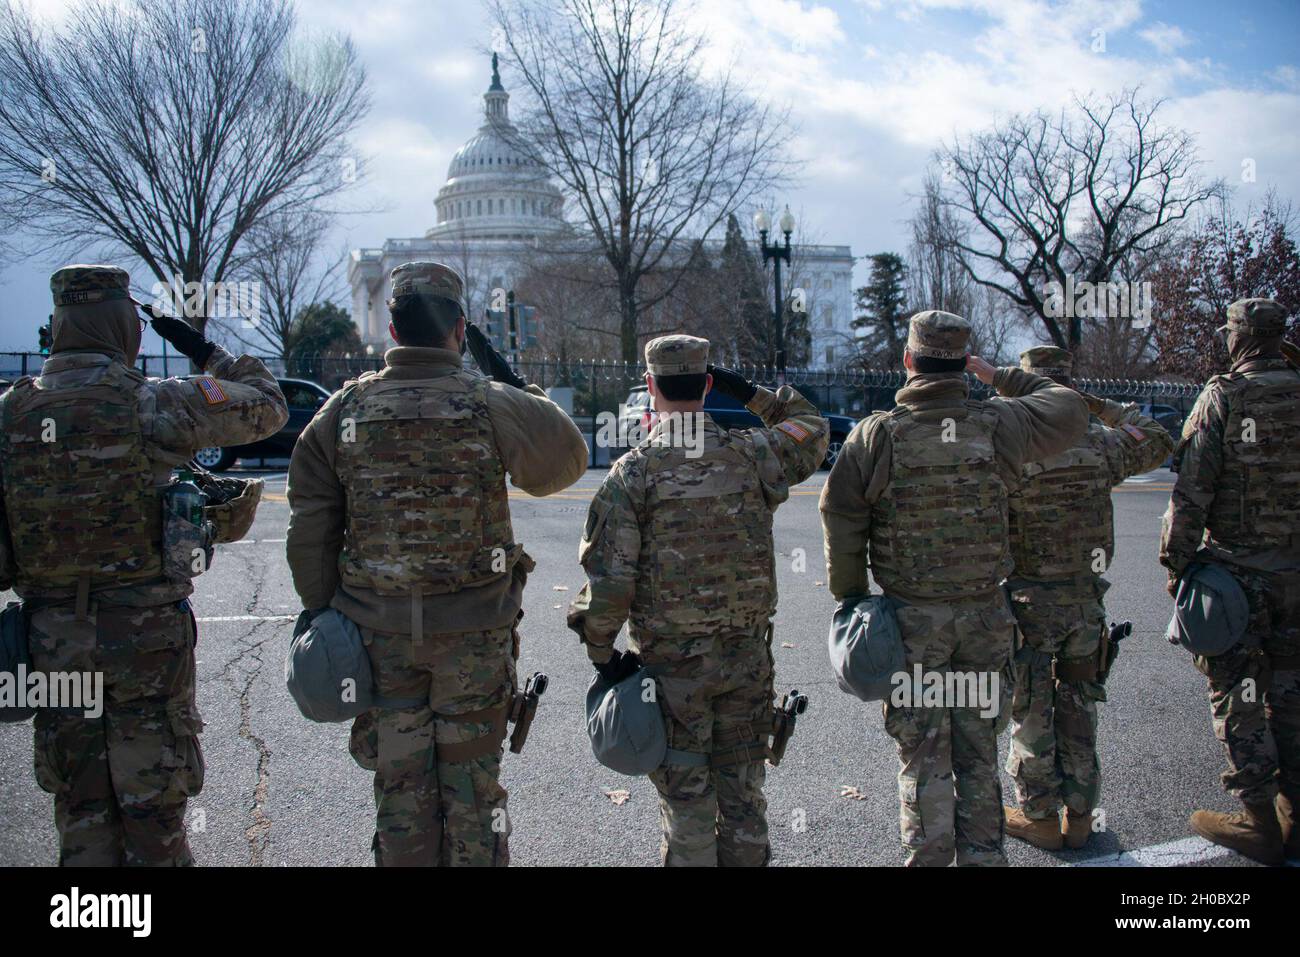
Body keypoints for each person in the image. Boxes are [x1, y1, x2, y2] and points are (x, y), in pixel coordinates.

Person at [285, 261, 587, 866]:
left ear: (393, 332)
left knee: (399, 797)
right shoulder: (490, 403)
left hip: (380, 638)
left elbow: (311, 524)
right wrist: (519, 391)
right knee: (476, 799)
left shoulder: (343, 412)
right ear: (459, 330)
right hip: (473, 640)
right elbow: (566, 462)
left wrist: (322, 613)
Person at [0, 264, 288, 865]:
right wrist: (204, 349)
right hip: (145, 641)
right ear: (126, 328)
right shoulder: (155, 404)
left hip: (52, 640)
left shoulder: (11, 415)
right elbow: (268, 404)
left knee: (79, 809)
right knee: (154, 809)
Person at [819, 311, 1087, 866]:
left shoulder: (878, 435)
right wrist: (1000, 377)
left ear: (908, 362)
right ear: (964, 363)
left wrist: (851, 597)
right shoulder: (999, 424)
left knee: (924, 754)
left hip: (911, 624)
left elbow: (842, 515)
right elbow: (1068, 406)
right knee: (979, 753)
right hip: (987, 620)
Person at [568, 334, 828, 865]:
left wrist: (602, 654)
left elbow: (610, 581)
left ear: (649, 387)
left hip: (671, 669)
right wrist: (751, 393)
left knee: (686, 802)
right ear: (709, 384)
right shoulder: (756, 452)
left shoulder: (634, 473)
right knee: (744, 796)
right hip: (747, 656)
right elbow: (812, 427)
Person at [999, 346, 1173, 851]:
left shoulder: (1014, 448)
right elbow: (1158, 436)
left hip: (1027, 600)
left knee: (1032, 710)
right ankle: (1080, 814)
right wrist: (1097, 406)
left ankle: (1039, 815)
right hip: (1085, 597)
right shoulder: (1101, 443)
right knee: (1079, 702)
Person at [1160, 297, 1300, 866]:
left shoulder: (1225, 395)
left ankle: (1259, 822)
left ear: (1238, 337)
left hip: (1240, 579)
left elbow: (1193, 488)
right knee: (1291, 693)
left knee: (1239, 697)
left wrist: (1176, 564)